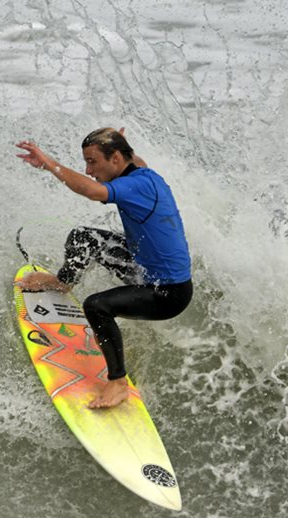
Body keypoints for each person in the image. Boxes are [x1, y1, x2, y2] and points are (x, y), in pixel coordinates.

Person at [15, 127, 193, 409]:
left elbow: (92, 191)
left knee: (97, 306)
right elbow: (129, 159)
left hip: (167, 293)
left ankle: (118, 382)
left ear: (115, 159)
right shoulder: (141, 172)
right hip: (143, 266)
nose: (88, 170)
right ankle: (63, 283)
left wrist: (48, 162)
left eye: (92, 161)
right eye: (86, 162)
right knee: (83, 237)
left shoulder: (137, 185)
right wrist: (119, 141)